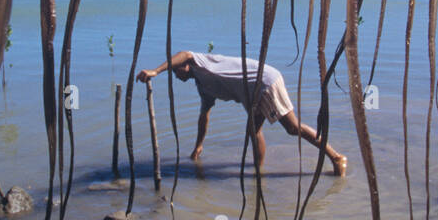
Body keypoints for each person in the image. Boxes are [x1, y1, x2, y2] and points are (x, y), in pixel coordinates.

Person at [136, 50, 349, 176]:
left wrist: (156, 71)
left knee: (292, 128)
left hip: (263, 82)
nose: (176, 75)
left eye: (176, 70)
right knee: (253, 130)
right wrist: (198, 145)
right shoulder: (203, 87)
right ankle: (259, 171)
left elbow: (184, 54)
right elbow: (204, 116)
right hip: (253, 94)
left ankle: (336, 157)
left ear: (185, 67)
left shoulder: (199, 63)